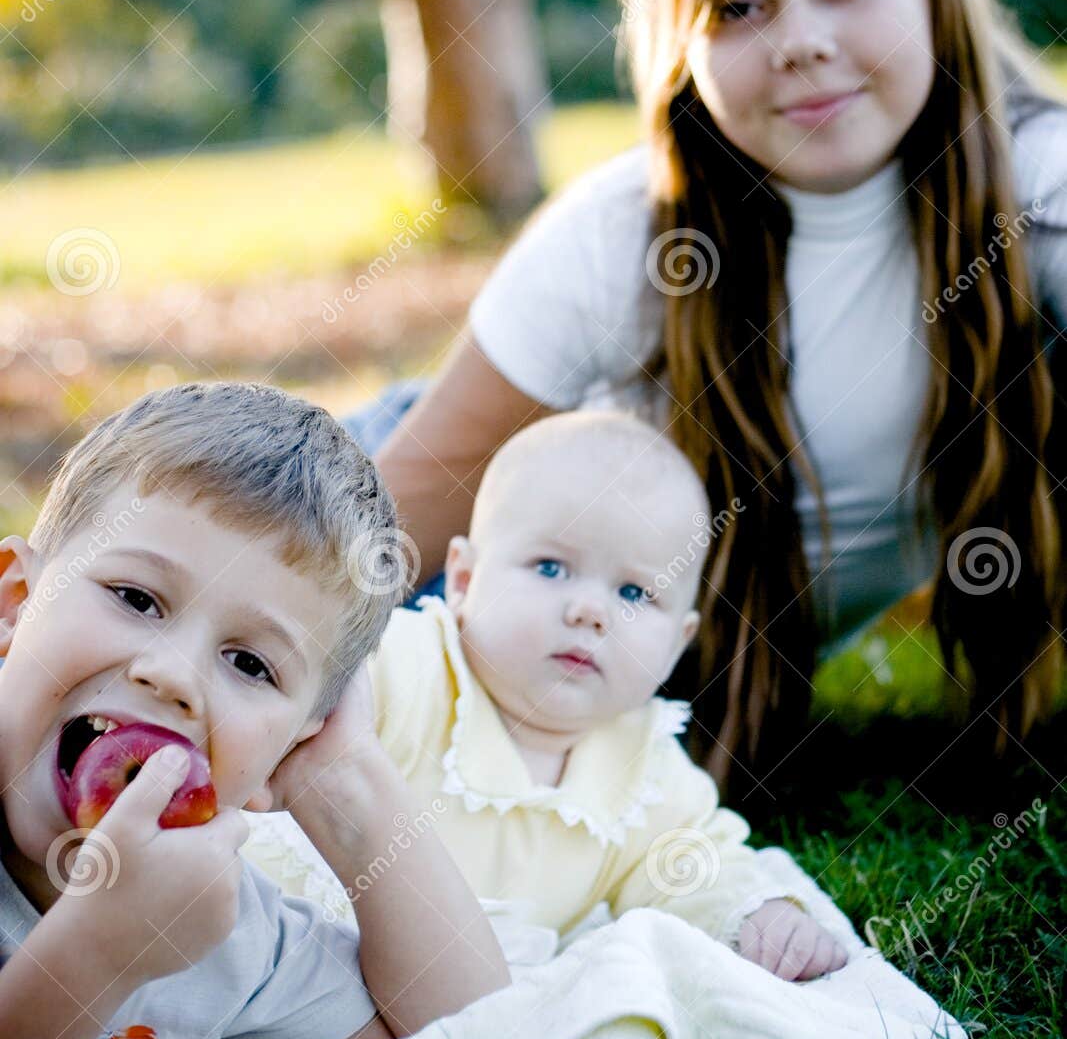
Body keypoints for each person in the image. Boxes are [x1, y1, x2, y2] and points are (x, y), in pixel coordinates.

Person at [353, 0, 1067, 792]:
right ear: (679, 41)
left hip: (603, 639)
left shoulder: (1035, 191)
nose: (801, 42)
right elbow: (369, 537)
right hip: (451, 528)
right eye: (737, 5)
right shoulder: (621, 240)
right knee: (197, 608)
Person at [0, 381, 509, 1039]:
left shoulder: (221, 925)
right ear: (13, 601)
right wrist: (98, 952)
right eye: (137, 599)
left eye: (249, 663)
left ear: (291, 746)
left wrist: (349, 788)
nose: (171, 675)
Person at [243, 410, 851, 984]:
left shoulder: (646, 773)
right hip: (274, 937)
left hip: (434, 993)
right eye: (551, 568)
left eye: (636, 594)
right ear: (464, 579)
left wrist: (756, 918)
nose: (589, 611)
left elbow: (696, 869)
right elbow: (287, 701)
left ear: (678, 642)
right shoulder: (403, 666)